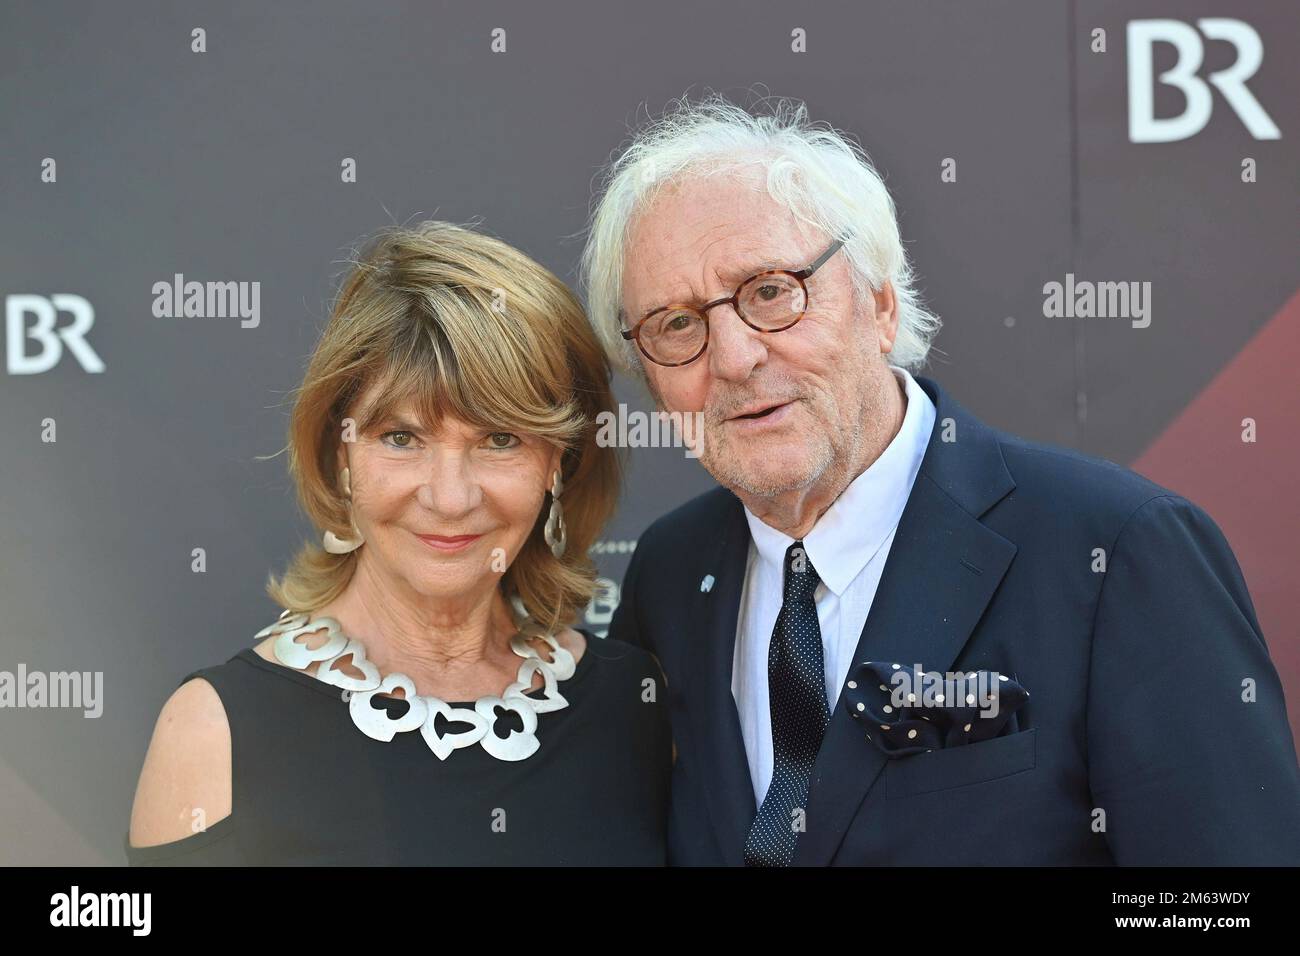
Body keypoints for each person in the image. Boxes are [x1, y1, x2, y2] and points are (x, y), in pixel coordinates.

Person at [579, 94, 1300, 866]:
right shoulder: (672, 573)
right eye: (677, 324)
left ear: (880, 307)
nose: (733, 357)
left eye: (770, 292)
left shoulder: (1117, 552)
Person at [127, 221, 670, 865]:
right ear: (341, 453)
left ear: (559, 463)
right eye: (402, 438)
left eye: (500, 440)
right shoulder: (216, 734)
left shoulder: (634, 704)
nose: (449, 497)